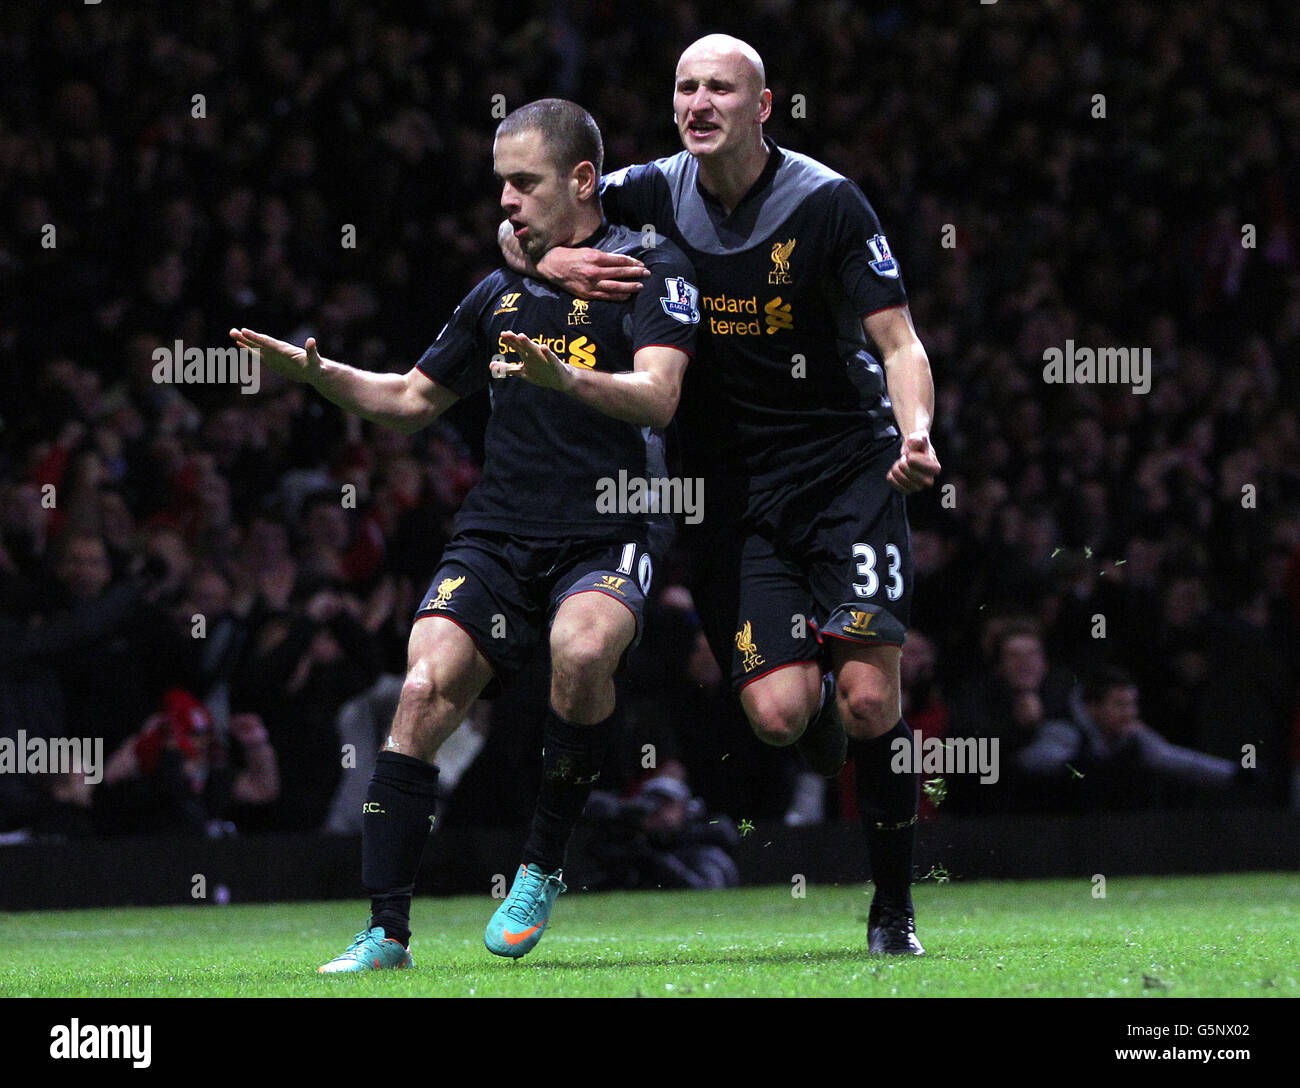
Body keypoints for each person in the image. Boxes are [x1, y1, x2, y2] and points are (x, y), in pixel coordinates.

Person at [230, 99, 698, 970]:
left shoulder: (651, 272)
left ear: (583, 180)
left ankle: (543, 863)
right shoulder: (499, 289)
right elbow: (412, 400)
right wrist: (320, 375)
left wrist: (566, 379)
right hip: (498, 530)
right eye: (500, 186)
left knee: (584, 647)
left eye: (524, 183)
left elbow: (659, 395)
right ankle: (386, 933)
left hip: (611, 520)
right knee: (420, 688)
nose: (507, 203)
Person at [498, 35, 940, 953]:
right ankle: (812, 713)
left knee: (871, 703)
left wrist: (917, 432)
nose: (698, 104)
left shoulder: (827, 203)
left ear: (763, 107)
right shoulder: (647, 190)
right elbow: (522, 216)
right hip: (728, 494)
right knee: (780, 718)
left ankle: (893, 909)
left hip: (845, 471)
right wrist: (540, 263)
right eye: (685, 89)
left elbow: (898, 342)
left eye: (720, 90)